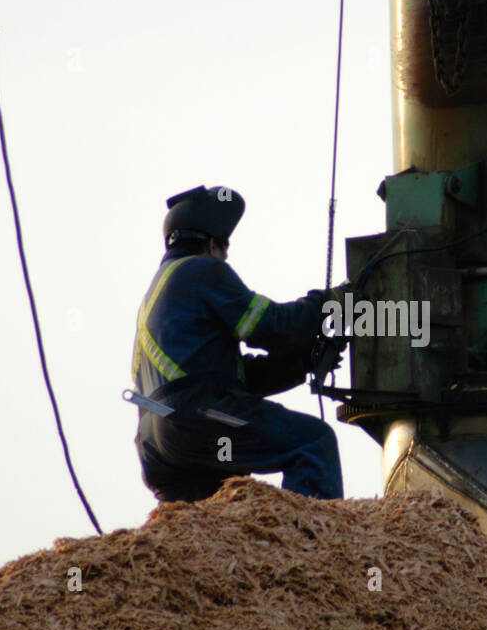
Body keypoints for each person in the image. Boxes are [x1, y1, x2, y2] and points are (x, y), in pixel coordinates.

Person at [131, 184, 343, 503]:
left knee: (217, 518)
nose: (226, 257)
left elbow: (234, 379)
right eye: (225, 248)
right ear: (212, 243)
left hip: (158, 443)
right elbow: (274, 327)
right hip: (196, 415)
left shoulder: (155, 297)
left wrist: (302, 364)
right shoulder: (200, 271)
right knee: (313, 442)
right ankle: (310, 548)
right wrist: (327, 304)